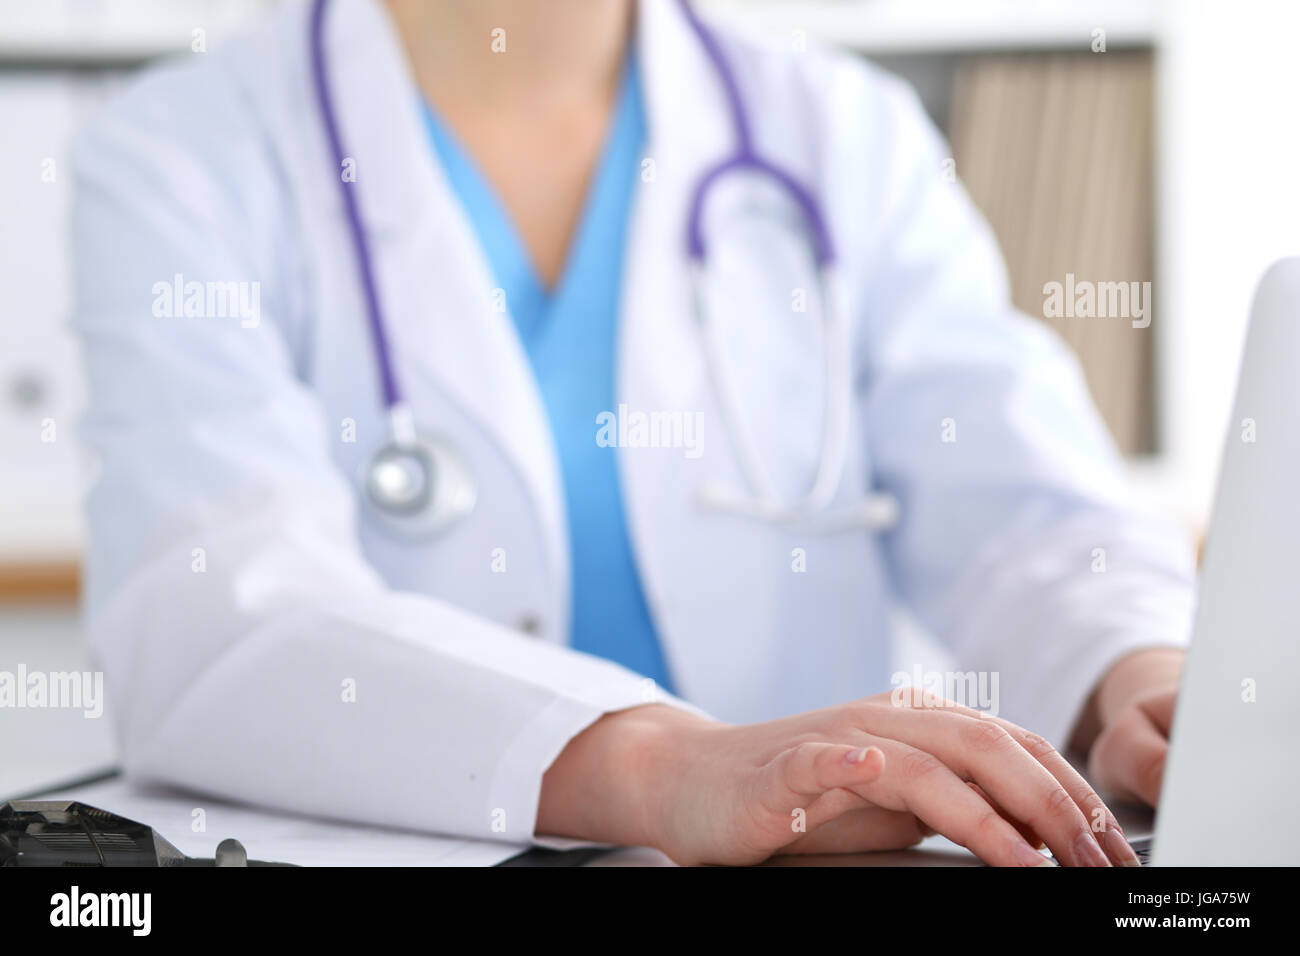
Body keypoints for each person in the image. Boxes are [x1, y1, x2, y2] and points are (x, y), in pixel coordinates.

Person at [70, 0, 1194, 866]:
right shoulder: (184, 155)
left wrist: (1134, 671)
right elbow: (218, 611)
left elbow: (1029, 508)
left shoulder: (840, 135)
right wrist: (663, 764)